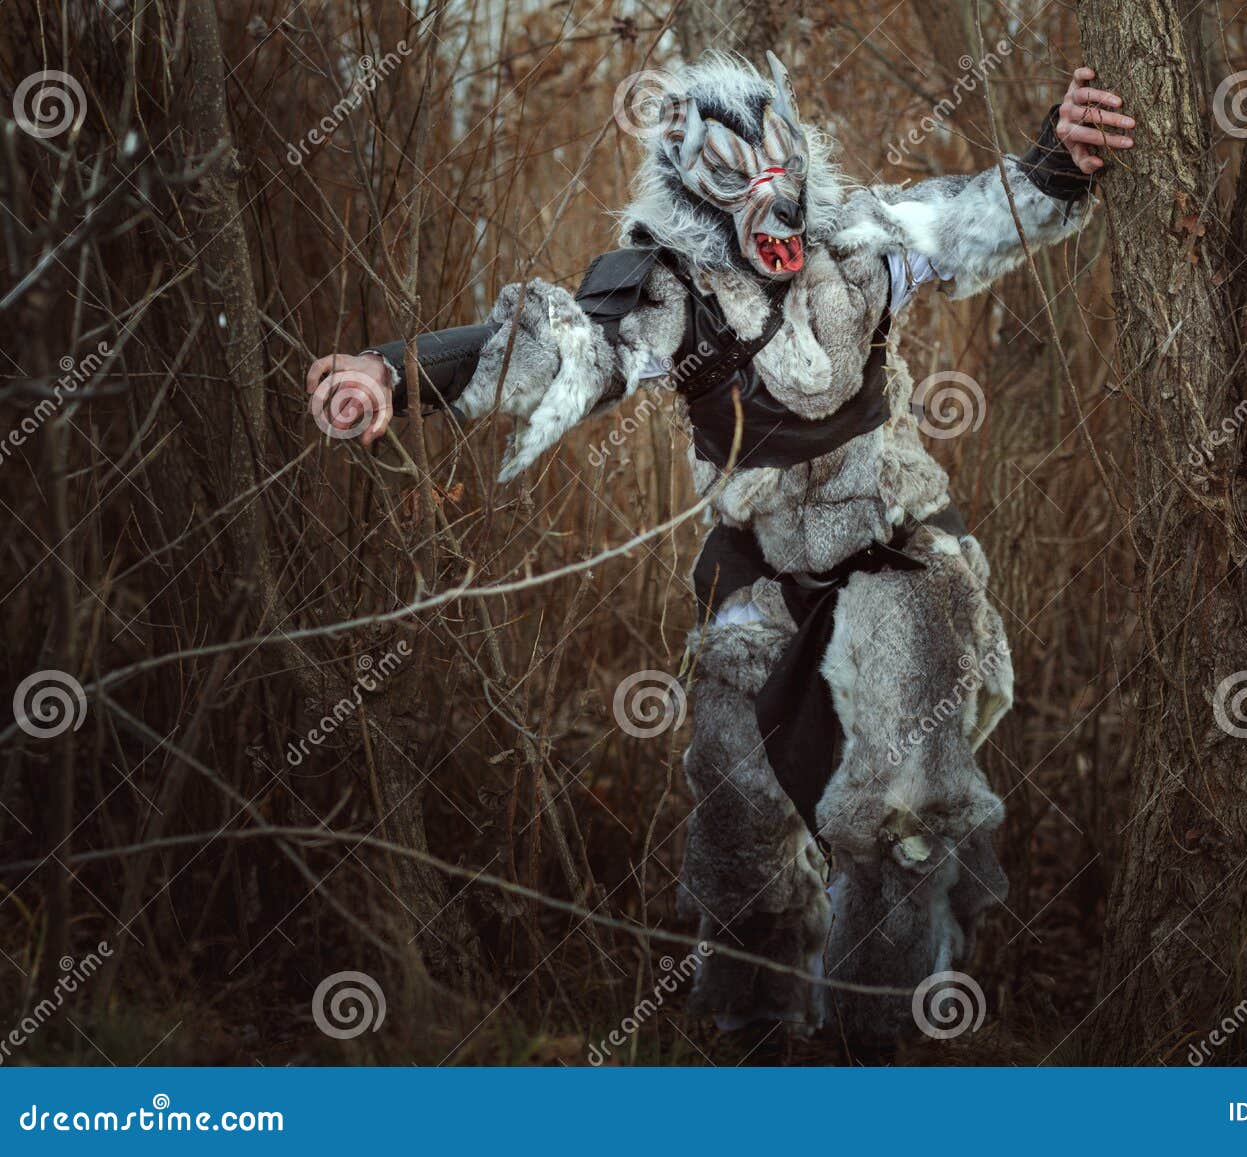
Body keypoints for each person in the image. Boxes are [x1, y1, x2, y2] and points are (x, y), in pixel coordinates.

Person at [307, 52, 1133, 1043]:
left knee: (908, 810)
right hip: (756, 573)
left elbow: (967, 218)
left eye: (778, 167)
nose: (768, 195)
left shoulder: (860, 237)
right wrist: (394, 375)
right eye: (738, 176)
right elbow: (557, 344)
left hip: (895, 549)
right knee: (740, 823)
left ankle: (877, 1052)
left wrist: (1059, 158)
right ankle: (756, 1048)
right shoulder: (668, 293)